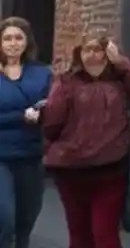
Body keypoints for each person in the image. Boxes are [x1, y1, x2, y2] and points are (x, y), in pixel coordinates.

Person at [43, 32, 130, 248]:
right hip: (72, 170)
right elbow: (52, 123)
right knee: (79, 233)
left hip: (110, 170)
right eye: (87, 50)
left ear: (108, 54)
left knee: (105, 233)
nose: (92, 55)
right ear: (79, 54)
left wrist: (122, 63)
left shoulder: (120, 80)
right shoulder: (67, 82)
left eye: (98, 50)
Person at [0, 18, 51, 248]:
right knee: (5, 217)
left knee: (26, 218)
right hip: (1, 156)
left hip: (31, 154)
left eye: (18, 38)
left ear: (27, 41)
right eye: (7, 38)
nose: (13, 43)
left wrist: (43, 113)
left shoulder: (42, 73)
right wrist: (21, 116)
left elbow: (55, 106)